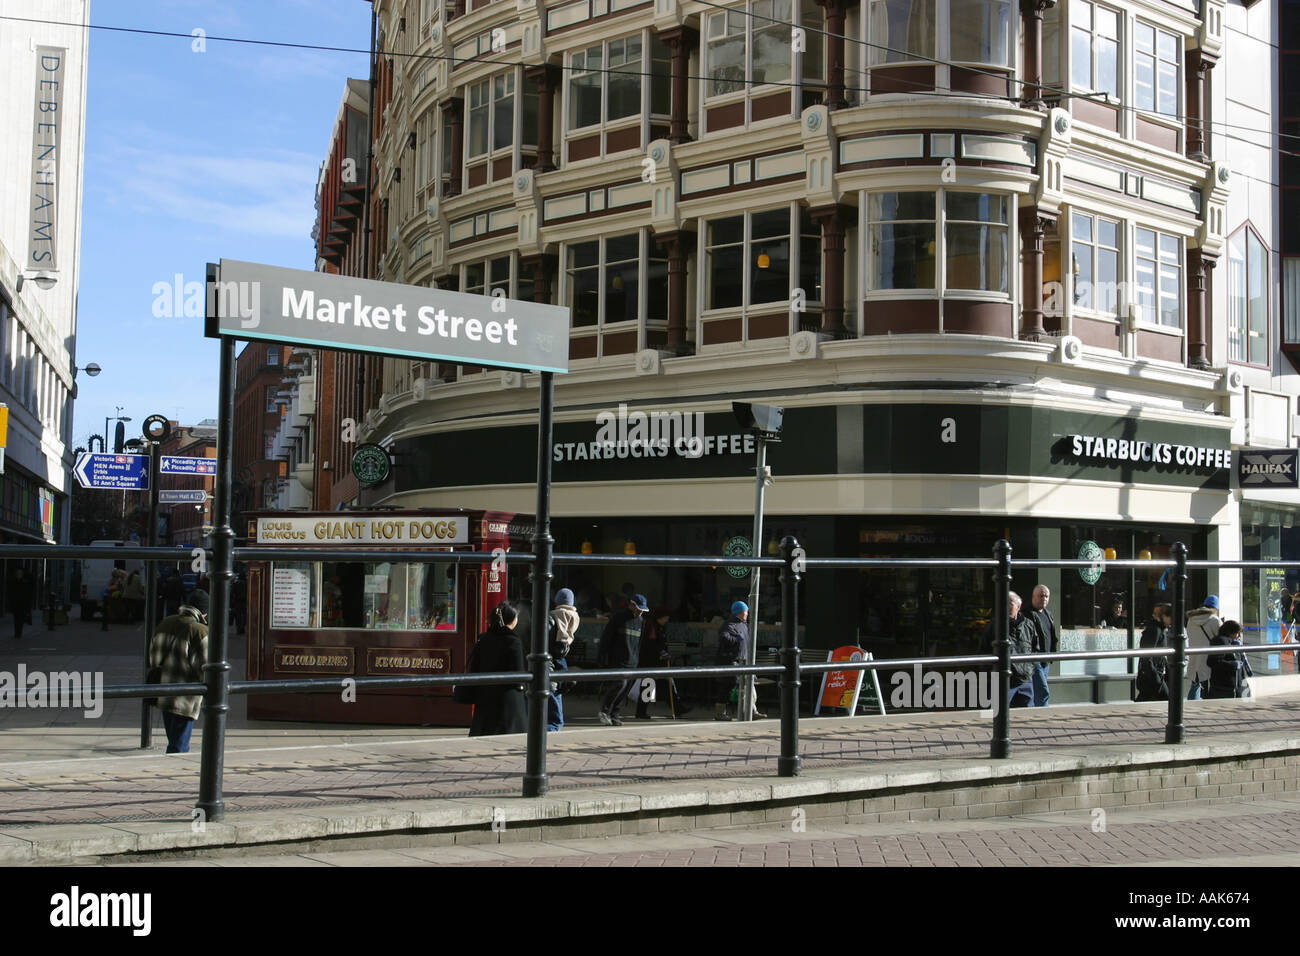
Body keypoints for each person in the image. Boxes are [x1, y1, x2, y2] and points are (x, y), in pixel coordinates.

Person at [148, 591, 210, 754]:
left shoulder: (165, 623)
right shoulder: (200, 631)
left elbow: (153, 658)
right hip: (186, 695)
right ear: (204, 611)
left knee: (173, 738)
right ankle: (171, 773)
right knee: (179, 745)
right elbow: (205, 667)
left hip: (163, 690)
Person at [467, 602, 526, 737]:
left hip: (485, 698)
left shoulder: (483, 640)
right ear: (512, 620)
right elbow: (519, 673)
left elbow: (475, 667)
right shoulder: (513, 641)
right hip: (509, 700)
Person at [597, 592, 648, 726]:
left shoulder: (641, 622)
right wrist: (603, 656)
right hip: (618, 659)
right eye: (639, 608)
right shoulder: (618, 618)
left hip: (633, 661)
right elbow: (607, 637)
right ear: (632, 605)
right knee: (620, 684)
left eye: (643, 610)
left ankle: (615, 714)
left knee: (626, 689)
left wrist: (639, 660)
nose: (641, 612)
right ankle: (605, 711)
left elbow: (640, 643)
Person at [980, 591, 1034, 707]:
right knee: (995, 714)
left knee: (1025, 714)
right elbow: (983, 650)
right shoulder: (994, 626)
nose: (1006, 607)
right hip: (1002, 679)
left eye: (1010, 603)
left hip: (1025, 679)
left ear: (1018, 607)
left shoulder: (1028, 625)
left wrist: (1030, 668)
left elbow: (1034, 649)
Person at [547, 588, 581, 731]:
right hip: (564, 653)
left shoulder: (557, 613)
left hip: (556, 653)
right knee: (558, 687)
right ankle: (556, 722)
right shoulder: (575, 615)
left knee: (554, 687)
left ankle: (555, 723)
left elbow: (560, 631)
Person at [714, 600, 750, 720]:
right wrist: (737, 638)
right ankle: (720, 713)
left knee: (748, 685)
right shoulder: (730, 624)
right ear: (739, 613)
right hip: (730, 661)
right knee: (727, 686)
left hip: (742, 661)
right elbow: (724, 638)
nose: (747, 614)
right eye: (745, 612)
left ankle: (751, 710)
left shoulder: (743, 624)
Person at [635, 606, 673, 720]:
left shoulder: (659, 626)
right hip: (649, 661)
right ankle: (641, 712)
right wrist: (661, 652)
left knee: (654, 685)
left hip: (657, 661)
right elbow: (651, 644)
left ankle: (676, 707)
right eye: (665, 618)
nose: (666, 620)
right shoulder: (651, 625)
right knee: (648, 684)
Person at [1024, 584, 1058, 707]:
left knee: (1036, 692)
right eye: (1040, 596)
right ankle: (1044, 716)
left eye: (1046, 596)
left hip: (1045, 660)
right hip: (1034, 659)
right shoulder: (1027, 613)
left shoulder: (1048, 614)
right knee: (1043, 692)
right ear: (1033, 597)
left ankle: (1033, 713)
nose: (1043, 598)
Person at [1186, 595, 1223, 700]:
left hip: (1194, 656)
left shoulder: (1191, 619)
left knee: (1195, 685)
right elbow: (1221, 638)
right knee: (1207, 687)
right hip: (1209, 659)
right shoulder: (1215, 620)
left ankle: (1191, 705)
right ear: (1216, 608)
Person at [1205, 620, 1253, 699]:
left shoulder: (1235, 643)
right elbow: (1212, 662)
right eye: (1237, 633)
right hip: (1225, 687)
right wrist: (1233, 664)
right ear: (1230, 632)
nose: (1239, 636)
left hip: (1237, 685)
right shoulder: (1220, 641)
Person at [1135, 603, 1173, 702]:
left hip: (1154, 675)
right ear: (1164, 616)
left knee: (1145, 701)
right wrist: (1155, 677)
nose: (1172, 621)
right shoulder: (1155, 630)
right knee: (1167, 701)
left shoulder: (1159, 630)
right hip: (1152, 677)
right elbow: (1146, 656)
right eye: (1170, 617)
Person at [10, 568, 32, 640]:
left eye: (20, 573)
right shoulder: (13, 582)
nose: (19, 575)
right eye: (18, 573)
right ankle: (17, 632)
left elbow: (27, 593)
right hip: (16, 603)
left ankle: (19, 632)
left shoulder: (24, 582)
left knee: (20, 618)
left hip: (22, 603)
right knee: (16, 618)